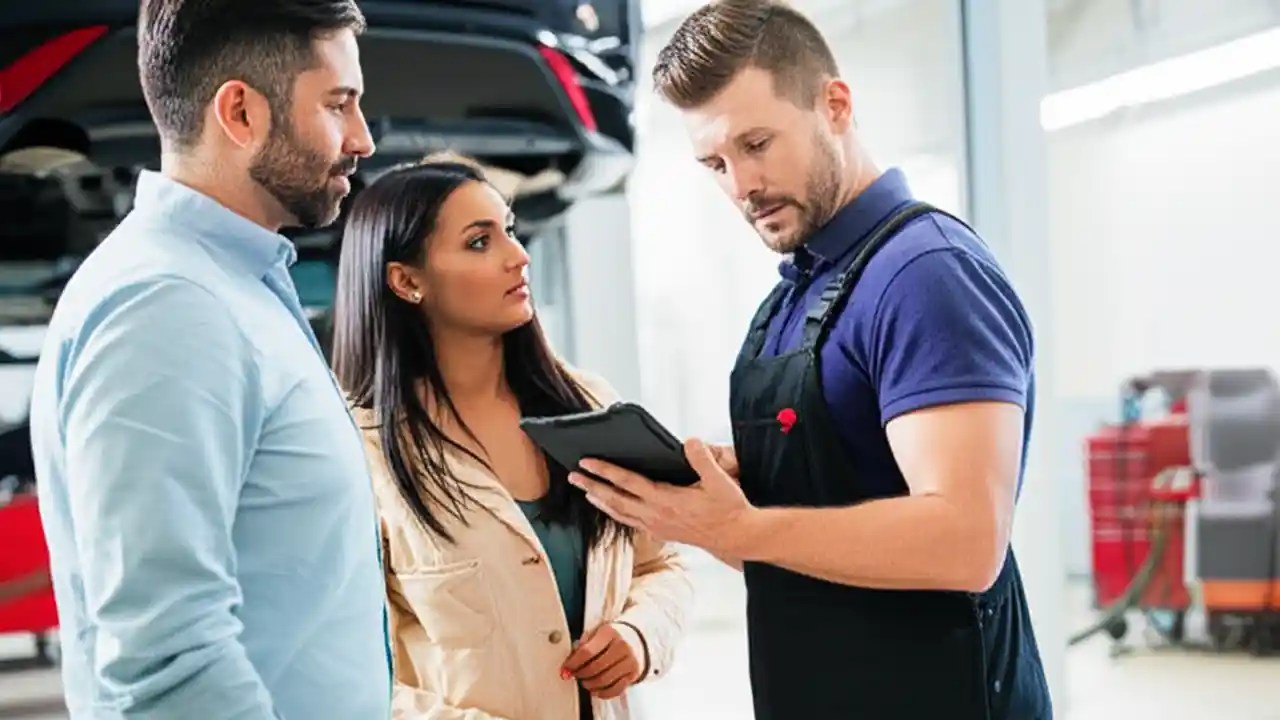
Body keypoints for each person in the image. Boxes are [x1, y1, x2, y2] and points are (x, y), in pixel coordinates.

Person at [567, 1, 1054, 718]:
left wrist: (741, 527)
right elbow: (801, 541)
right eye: (716, 164)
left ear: (835, 105)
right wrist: (727, 496)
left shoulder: (926, 275)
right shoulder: (794, 295)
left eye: (757, 143)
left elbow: (966, 540)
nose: (741, 186)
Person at [27, 1, 390, 717]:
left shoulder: (229, 286)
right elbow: (167, 660)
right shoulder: (167, 307)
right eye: (338, 104)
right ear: (240, 113)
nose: (363, 138)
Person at [331, 157, 693, 720]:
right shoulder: (363, 450)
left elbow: (661, 565)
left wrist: (640, 634)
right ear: (407, 281)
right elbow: (349, 670)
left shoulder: (588, 402)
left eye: (510, 230)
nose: (518, 255)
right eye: (480, 242)